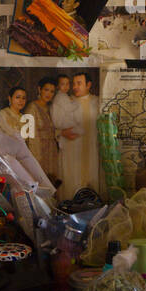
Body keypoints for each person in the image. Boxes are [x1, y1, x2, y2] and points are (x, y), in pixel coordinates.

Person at [53, 71, 100, 201]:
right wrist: (61, 133)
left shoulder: (98, 103)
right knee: (71, 190)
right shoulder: (66, 102)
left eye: (79, 83)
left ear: (88, 85)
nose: (74, 87)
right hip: (71, 156)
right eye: (73, 84)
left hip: (92, 154)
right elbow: (53, 126)